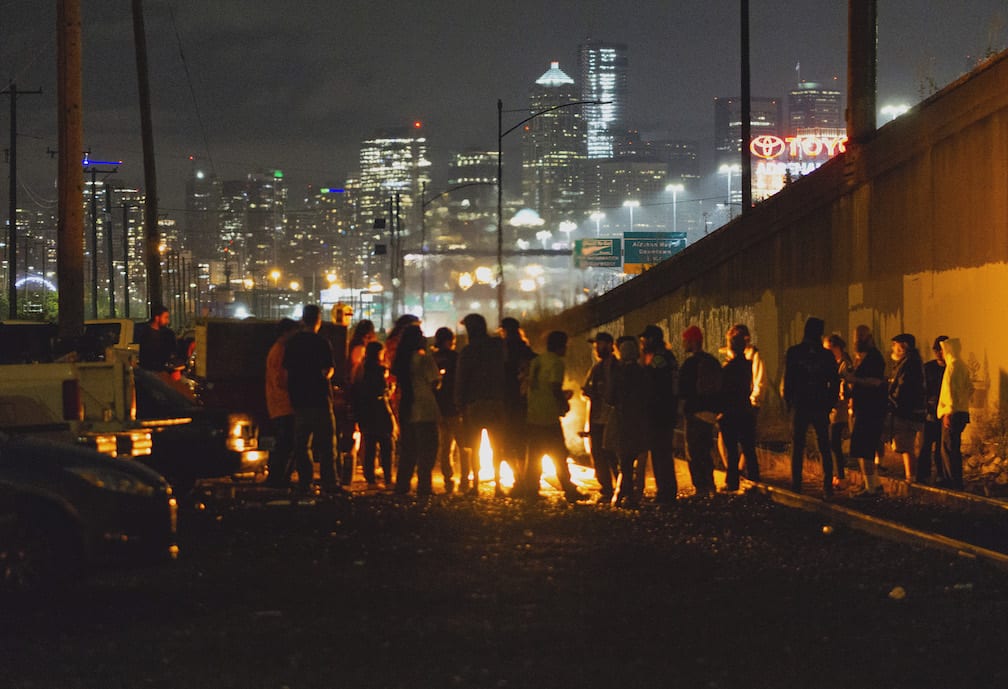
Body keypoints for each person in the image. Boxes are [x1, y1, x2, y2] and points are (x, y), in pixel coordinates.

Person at [521, 330, 585, 503]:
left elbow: (535, 386)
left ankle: (531, 489)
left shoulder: (537, 361)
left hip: (533, 414)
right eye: (565, 345)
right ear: (560, 345)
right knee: (559, 453)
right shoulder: (556, 363)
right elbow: (554, 388)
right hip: (548, 416)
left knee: (534, 454)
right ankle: (569, 489)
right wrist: (564, 404)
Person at [283, 305, 340, 494]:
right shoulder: (322, 343)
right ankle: (329, 482)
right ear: (318, 320)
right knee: (326, 445)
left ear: (302, 319)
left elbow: (287, 370)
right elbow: (328, 370)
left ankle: (305, 482)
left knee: (302, 444)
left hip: (299, 400)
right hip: (320, 399)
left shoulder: (293, 343)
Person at [454, 313, 507, 496]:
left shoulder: (468, 352)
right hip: (496, 400)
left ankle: (475, 484)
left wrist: (459, 403)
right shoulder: (497, 347)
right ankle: (498, 486)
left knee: (474, 446)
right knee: (497, 444)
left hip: (474, 403)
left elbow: (461, 379)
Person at [391, 324, 441, 497]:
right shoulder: (424, 358)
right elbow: (435, 382)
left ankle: (402, 485)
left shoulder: (401, 360)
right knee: (428, 449)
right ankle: (424, 486)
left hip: (407, 407)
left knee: (408, 450)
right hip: (425, 407)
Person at [605, 335, 652, 507]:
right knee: (633, 456)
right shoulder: (643, 372)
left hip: (622, 419)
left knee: (621, 457)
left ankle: (625, 494)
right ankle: (628, 493)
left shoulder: (619, 373)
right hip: (639, 419)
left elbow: (610, 398)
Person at [843, 325, 888, 498]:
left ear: (869, 337)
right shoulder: (864, 358)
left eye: (860, 337)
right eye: (855, 337)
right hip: (863, 408)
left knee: (866, 449)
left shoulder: (874, 358)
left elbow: (875, 382)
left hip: (871, 409)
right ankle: (874, 485)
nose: (857, 341)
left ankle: (871, 489)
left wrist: (853, 378)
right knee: (862, 449)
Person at [677, 325, 720, 497]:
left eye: (685, 340)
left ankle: (700, 488)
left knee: (694, 452)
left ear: (693, 341)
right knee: (706, 450)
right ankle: (711, 485)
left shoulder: (690, 364)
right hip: (710, 414)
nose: (683, 344)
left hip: (694, 412)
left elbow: (682, 389)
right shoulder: (712, 361)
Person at [639, 324, 680, 503]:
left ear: (652, 339)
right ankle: (665, 489)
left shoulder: (660, 358)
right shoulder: (664, 357)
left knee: (661, 452)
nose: (642, 343)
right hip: (663, 411)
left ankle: (666, 491)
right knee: (660, 452)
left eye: (644, 339)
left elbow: (650, 378)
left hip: (660, 412)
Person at [717, 324, 764, 477]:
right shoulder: (745, 361)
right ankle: (748, 476)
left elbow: (759, 381)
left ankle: (734, 477)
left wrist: (754, 401)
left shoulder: (749, 359)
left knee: (733, 445)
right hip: (745, 406)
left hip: (741, 406)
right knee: (746, 445)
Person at [351, 341, 395, 489]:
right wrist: (390, 389)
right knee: (386, 445)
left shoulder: (360, 370)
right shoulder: (378, 370)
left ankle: (370, 479)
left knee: (369, 446)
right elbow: (382, 392)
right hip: (379, 411)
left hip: (365, 412)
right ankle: (388, 478)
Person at [499, 317, 537, 489]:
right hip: (524, 400)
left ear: (503, 330)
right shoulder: (525, 349)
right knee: (523, 440)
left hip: (506, 401)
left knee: (507, 441)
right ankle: (525, 477)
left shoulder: (501, 350)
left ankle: (518, 479)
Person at [581, 331, 618, 503]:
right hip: (597, 418)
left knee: (613, 455)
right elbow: (586, 389)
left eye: (600, 344)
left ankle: (620, 487)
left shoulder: (618, 368)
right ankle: (607, 489)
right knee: (598, 455)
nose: (596, 348)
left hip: (611, 419)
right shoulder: (596, 368)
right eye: (596, 345)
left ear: (610, 345)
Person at [264, 318, 300, 489]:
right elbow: (281, 379)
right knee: (286, 443)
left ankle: (277, 478)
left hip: (278, 403)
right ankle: (277, 479)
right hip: (283, 403)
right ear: (286, 332)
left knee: (283, 443)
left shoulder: (276, 350)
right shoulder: (281, 351)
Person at [888, 333, 925, 482]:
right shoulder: (910, 361)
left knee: (906, 445)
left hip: (907, 411)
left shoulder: (909, 363)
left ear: (903, 346)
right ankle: (910, 476)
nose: (893, 348)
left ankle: (911, 477)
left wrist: (893, 399)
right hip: (908, 410)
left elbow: (904, 388)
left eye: (895, 344)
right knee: (905, 445)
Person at [937, 337, 972, 490]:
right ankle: (954, 480)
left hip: (952, 413)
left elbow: (949, 392)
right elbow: (970, 389)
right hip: (961, 412)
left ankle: (952, 482)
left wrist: (949, 412)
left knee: (948, 449)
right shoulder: (962, 366)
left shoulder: (953, 367)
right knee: (953, 448)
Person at [916, 336, 949, 484]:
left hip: (944, 412)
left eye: (941, 350)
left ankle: (941, 475)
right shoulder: (928, 368)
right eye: (936, 350)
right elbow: (920, 388)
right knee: (925, 445)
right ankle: (923, 475)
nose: (938, 353)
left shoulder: (950, 369)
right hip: (929, 411)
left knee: (941, 447)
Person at [432, 327, 461, 494]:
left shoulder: (433, 358)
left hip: (438, 407)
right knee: (464, 444)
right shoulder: (455, 357)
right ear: (449, 340)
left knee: (445, 445)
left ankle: (448, 477)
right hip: (454, 405)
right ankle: (466, 478)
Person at [824, 333, 854, 491]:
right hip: (831, 408)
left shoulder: (845, 364)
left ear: (837, 348)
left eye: (829, 348)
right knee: (832, 443)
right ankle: (837, 475)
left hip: (839, 409)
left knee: (833, 442)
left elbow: (849, 384)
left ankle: (840, 476)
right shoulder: (833, 363)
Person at [136, 304, 177, 372]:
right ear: (157, 318)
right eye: (165, 317)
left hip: (165, 372)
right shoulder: (146, 334)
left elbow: (173, 352)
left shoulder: (168, 334)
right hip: (150, 373)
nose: (167, 321)